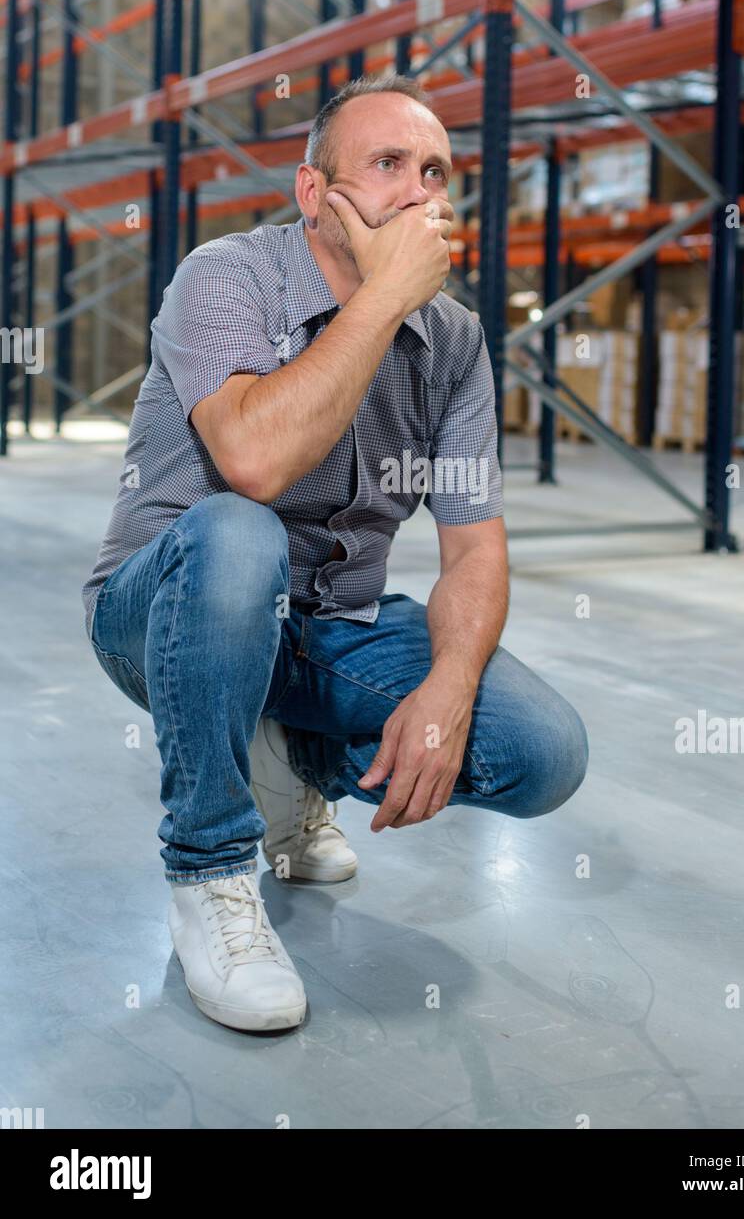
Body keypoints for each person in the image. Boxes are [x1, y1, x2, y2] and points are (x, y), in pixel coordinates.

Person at [82, 73, 589, 1033]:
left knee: (540, 752)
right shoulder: (228, 276)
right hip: (161, 611)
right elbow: (254, 463)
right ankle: (211, 872)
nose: (419, 192)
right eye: (388, 164)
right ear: (315, 193)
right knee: (239, 529)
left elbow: (473, 545)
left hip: (330, 624)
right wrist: (381, 297)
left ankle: (293, 763)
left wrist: (447, 687)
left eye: (435, 170)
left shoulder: (453, 341)